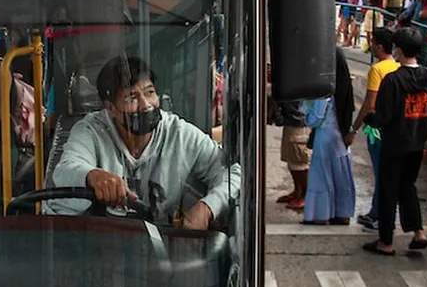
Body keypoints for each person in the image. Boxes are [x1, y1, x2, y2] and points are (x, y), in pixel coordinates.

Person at [50, 56, 240, 230]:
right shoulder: (90, 131)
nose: (146, 104)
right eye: (132, 97)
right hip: (100, 244)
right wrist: (92, 176)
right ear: (110, 108)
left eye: (150, 93)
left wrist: (207, 208)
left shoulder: (179, 134)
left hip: (159, 248)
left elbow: (232, 172)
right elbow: (65, 170)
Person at [363, 28, 427, 256]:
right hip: (417, 144)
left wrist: (370, 118)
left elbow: (383, 117)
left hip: (394, 144)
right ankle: (418, 232)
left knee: (388, 190)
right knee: (408, 187)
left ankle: (386, 241)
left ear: (398, 49)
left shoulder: (392, 80)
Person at [301, 48, 357, 226]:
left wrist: (306, 116)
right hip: (339, 135)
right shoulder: (344, 86)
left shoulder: (323, 89)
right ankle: (342, 213)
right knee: (340, 175)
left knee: (321, 176)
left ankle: (321, 214)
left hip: (324, 136)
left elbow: (315, 118)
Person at [353, 28, 399, 230]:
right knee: (389, 174)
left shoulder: (377, 69)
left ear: (379, 47)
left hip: (377, 129)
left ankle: (378, 214)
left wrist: (354, 127)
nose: (371, 46)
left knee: (381, 173)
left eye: (372, 43)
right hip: (395, 128)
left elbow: (369, 103)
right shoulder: (398, 66)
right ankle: (381, 212)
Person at [275, 100, 311, 210]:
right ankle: (298, 191)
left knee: (300, 162)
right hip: (291, 119)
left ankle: (305, 195)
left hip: (299, 120)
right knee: (292, 160)